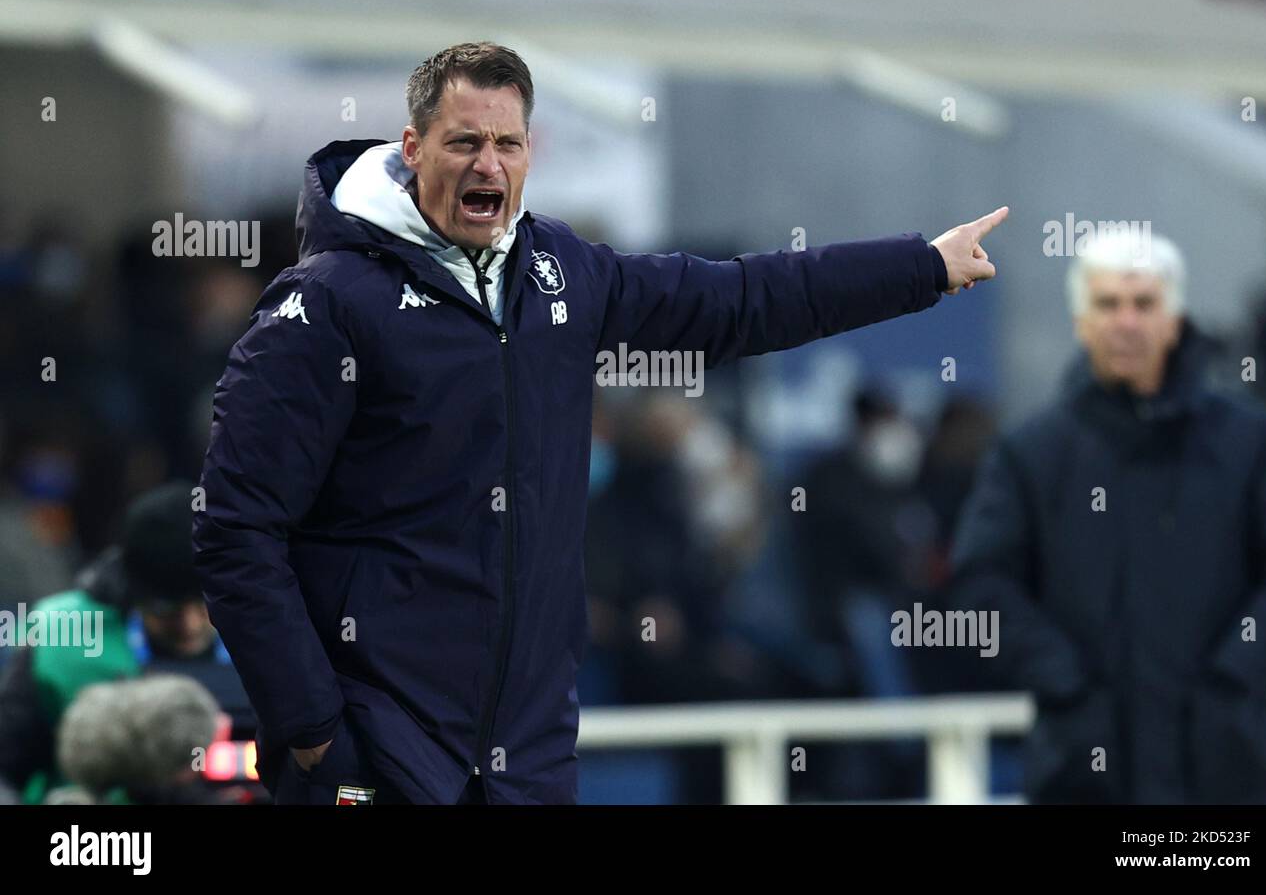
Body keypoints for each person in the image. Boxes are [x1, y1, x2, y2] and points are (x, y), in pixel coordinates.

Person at [194, 40, 1007, 805]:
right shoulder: (326, 304)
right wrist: (312, 732)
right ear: (412, 148)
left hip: (527, 758)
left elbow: (741, 300)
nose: (489, 165)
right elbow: (234, 529)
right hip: (377, 754)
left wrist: (920, 268)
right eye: (464, 143)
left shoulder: (562, 271)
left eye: (508, 145)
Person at [949, 229, 1266, 803]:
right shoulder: (1032, 452)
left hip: (1225, 769)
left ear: (1174, 316)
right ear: (1080, 321)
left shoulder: (1247, 441)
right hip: (1083, 771)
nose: (1127, 322)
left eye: (1144, 303)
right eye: (1108, 304)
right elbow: (982, 584)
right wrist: (1065, 680)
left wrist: (1240, 666)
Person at [0, 481, 239, 803]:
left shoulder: (277, 633)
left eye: (204, 605)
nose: (189, 624)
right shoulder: (65, 635)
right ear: (131, 587)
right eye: (165, 608)